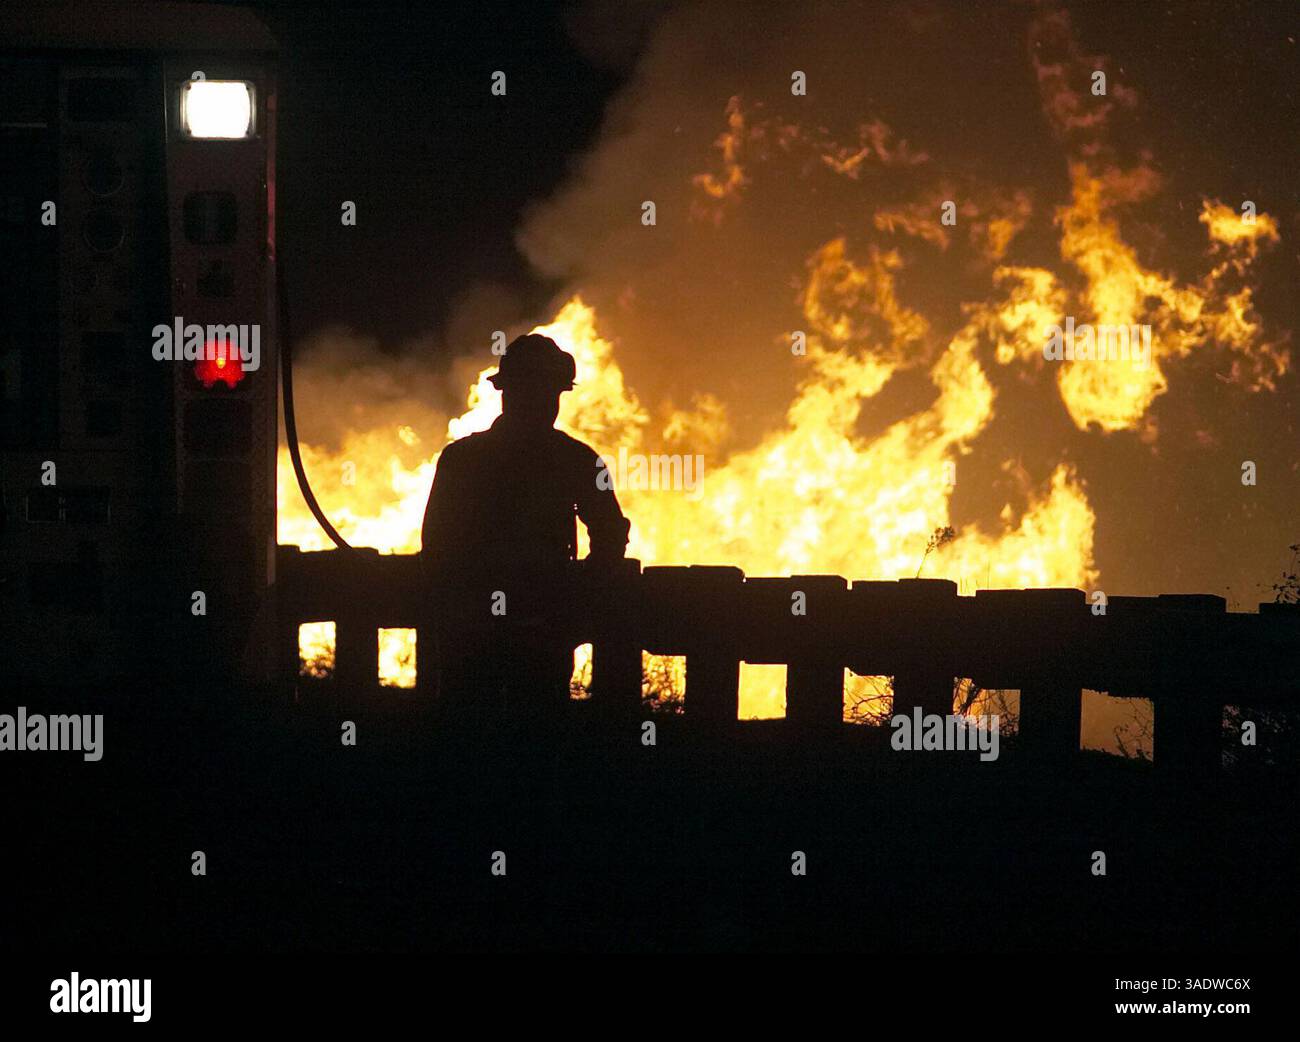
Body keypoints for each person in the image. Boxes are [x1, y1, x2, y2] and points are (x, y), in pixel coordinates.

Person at [420, 334, 630, 728]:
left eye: (548, 392)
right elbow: (610, 534)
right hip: (531, 630)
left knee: (469, 732)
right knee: (531, 737)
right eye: (540, 391)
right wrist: (580, 590)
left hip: (478, 630)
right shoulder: (575, 460)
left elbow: (436, 545)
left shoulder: (461, 459)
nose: (544, 403)